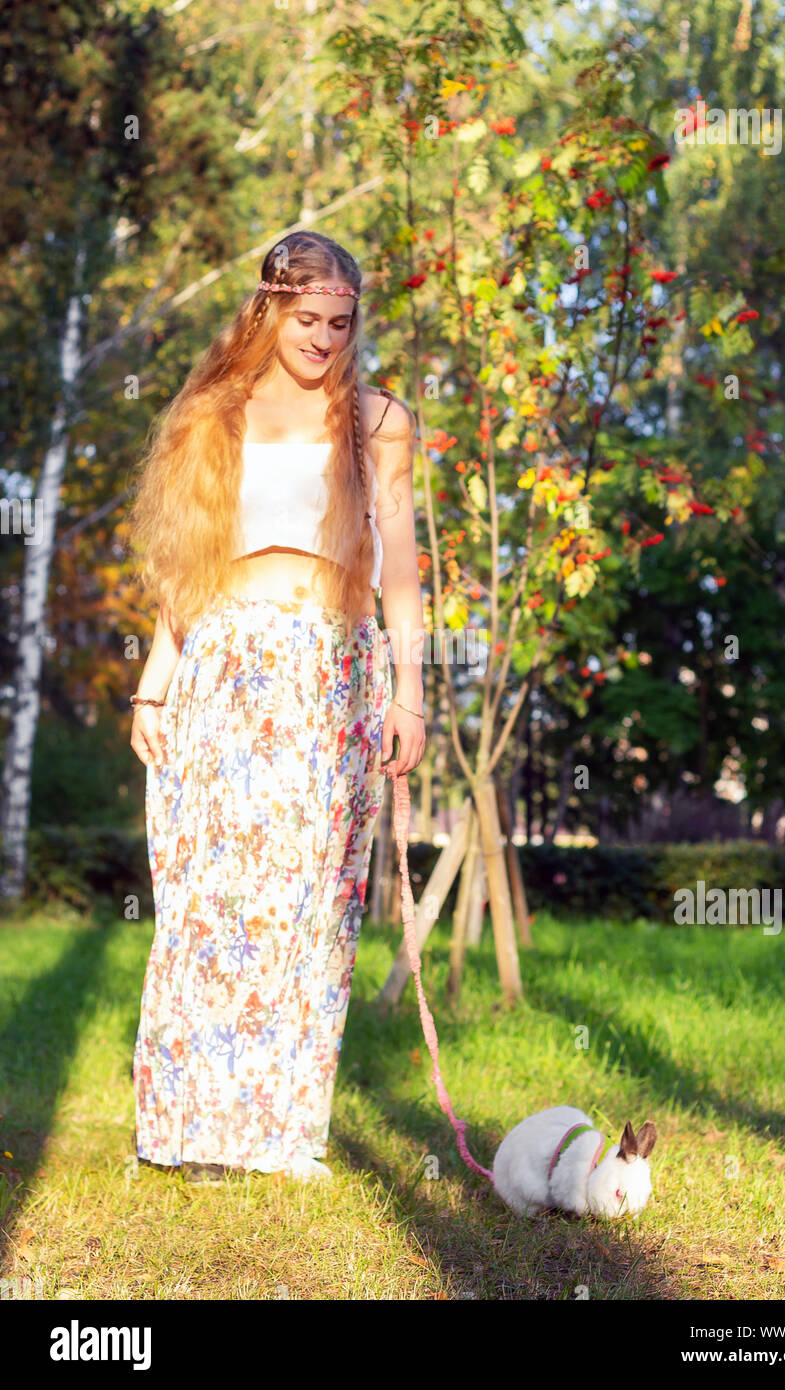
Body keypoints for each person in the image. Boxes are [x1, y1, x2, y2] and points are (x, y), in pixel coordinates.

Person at [125, 230, 426, 1184]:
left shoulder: (378, 423)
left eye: (343, 323)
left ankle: (281, 1131)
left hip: (333, 674)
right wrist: (152, 681)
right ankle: (189, 1129)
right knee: (213, 901)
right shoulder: (212, 415)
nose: (327, 338)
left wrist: (412, 695)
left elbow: (405, 581)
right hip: (227, 665)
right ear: (268, 309)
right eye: (309, 319)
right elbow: (186, 568)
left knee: (307, 903)